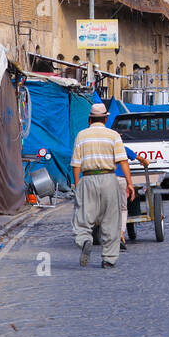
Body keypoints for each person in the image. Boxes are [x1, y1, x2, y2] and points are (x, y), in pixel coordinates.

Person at [71, 102, 138, 268]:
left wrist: (78, 184)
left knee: (82, 217)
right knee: (111, 220)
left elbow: (76, 164)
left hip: (88, 178)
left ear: (90, 119)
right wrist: (130, 183)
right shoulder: (113, 135)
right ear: (106, 118)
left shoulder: (81, 135)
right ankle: (108, 259)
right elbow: (123, 161)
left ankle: (85, 240)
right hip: (109, 178)